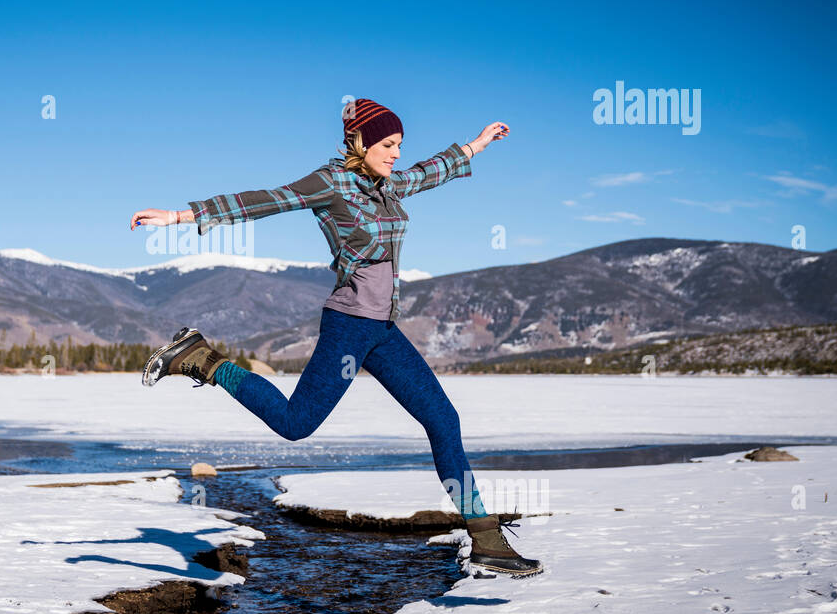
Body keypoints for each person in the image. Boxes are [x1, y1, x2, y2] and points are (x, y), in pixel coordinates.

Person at [130, 98, 540, 577]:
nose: (395, 154)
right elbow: (265, 200)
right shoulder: (331, 183)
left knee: (443, 418)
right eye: (387, 144)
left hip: (383, 330)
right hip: (348, 325)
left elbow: (429, 173)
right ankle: (203, 359)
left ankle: (485, 536)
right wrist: (182, 217)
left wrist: (476, 145)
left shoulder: (387, 185)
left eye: (400, 145)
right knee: (295, 423)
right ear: (360, 141)